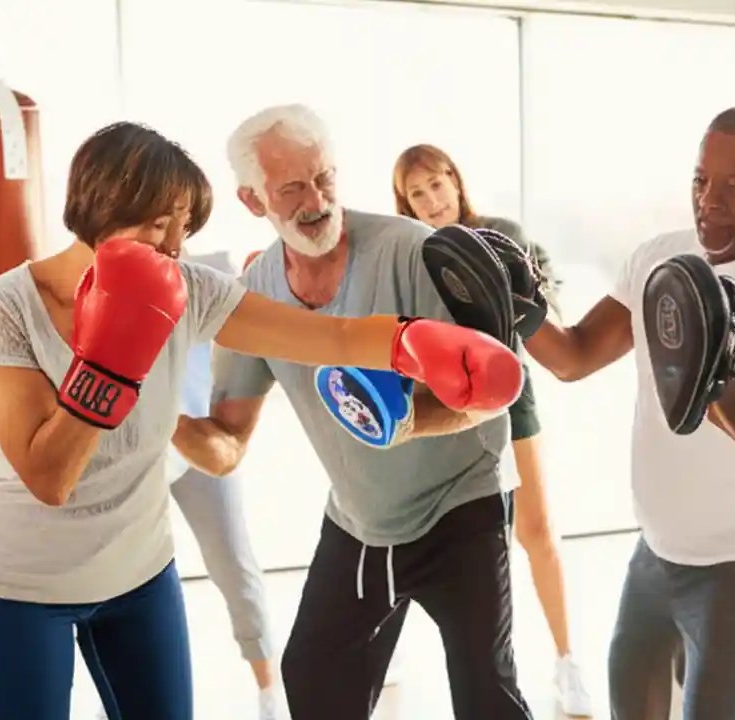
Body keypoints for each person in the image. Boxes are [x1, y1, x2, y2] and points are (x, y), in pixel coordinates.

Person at [0, 121, 523, 720]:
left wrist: (411, 342)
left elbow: (328, 335)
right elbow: (49, 478)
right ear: (100, 203)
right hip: (22, 587)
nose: (174, 248)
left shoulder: (189, 289)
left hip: (140, 574)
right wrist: (108, 363)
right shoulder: (3, 304)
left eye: (184, 228)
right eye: (159, 224)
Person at [205, 103, 534, 720]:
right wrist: (144, 411)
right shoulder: (258, 295)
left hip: (459, 504)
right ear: (254, 201)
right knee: (312, 679)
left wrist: (412, 421)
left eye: (324, 177)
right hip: (360, 521)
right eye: (293, 187)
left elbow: (488, 394)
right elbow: (226, 439)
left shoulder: (414, 252)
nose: (316, 199)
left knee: (487, 693)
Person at [523, 107, 735, 719]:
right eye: (700, 181)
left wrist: (706, 367)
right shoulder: (660, 261)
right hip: (660, 553)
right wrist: (517, 307)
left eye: (734, 187)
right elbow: (575, 356)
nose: (709, 202)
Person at [391, 143, 593, 717]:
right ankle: (390, 648)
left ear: (456, 181)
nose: (432, 200)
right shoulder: (410, 250)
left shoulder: (502, 233)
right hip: (438, 397)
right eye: (418, 193)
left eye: (438, 184)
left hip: (510, 391)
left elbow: (550, 306)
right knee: (415, 526)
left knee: (536, 528)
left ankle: (566, 660)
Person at [169, 250, 280, 720]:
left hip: (199, 441)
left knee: (233, 564)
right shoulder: (104, 281)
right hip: (135, 449)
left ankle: (270, 690)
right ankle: (120, 698)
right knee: (128, 579)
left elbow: (260, 317)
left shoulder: (211, 273)